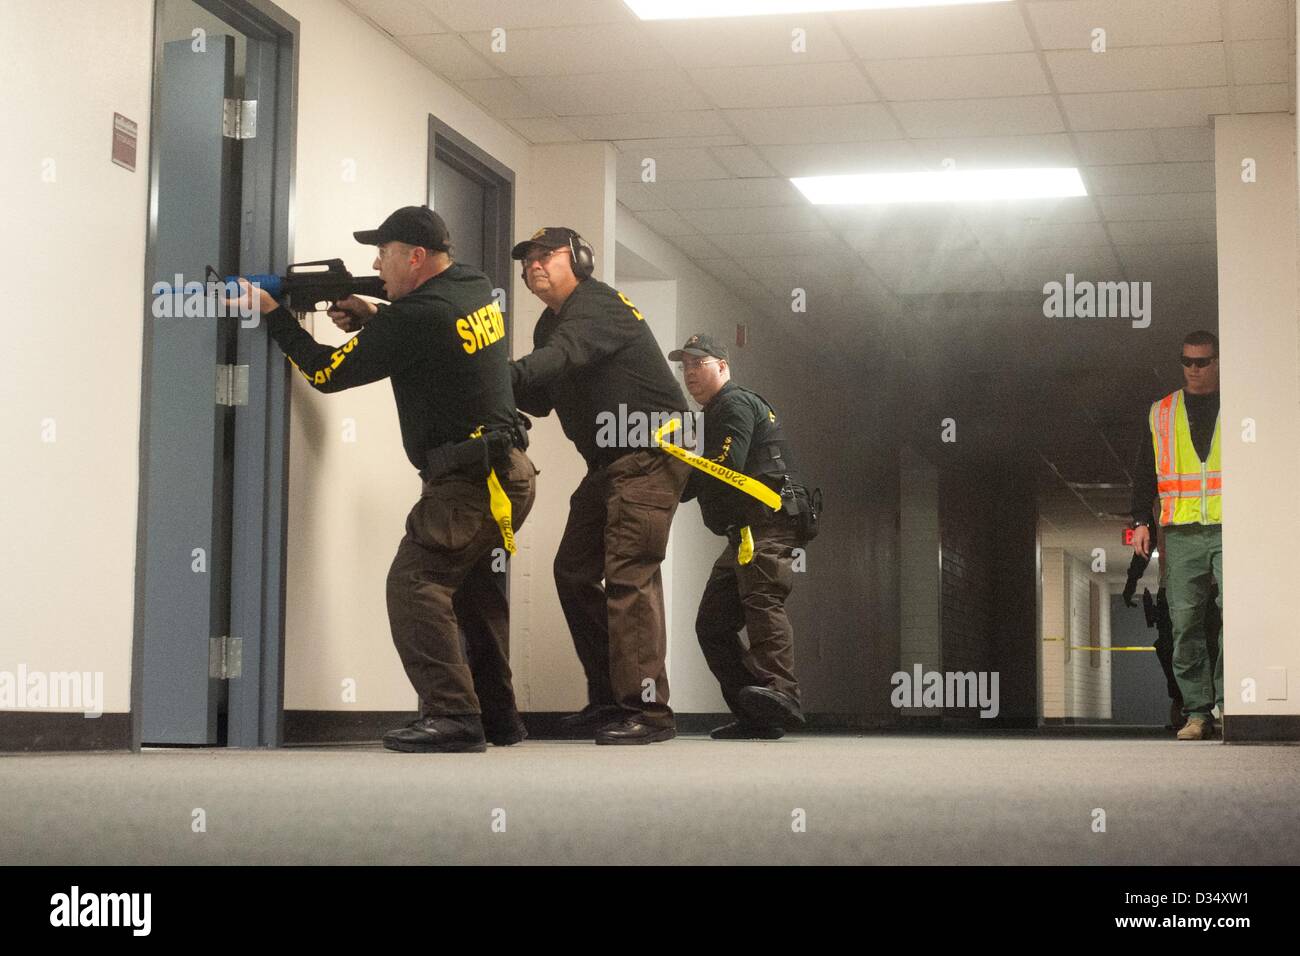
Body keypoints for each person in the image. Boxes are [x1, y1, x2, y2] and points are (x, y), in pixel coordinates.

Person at [234, 205, 536, 753]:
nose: (376, 263)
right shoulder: (474, 284)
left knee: (416, 585)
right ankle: (498, 719)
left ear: (416, 257)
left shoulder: (413, 317)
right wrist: (375, 315)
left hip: (468, 481)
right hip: (509, 472)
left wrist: (276, 315)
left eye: (384, 254)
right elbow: (437, 334)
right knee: (473, 594)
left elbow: (327, 373)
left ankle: (453, 718)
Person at [510, 227, 690, 745]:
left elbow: (558, 358)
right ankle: (611, 699)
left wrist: (498, 376)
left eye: (547, 256)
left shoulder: (598, 304)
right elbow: (540, 393)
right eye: (527, 261)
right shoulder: (553, 322)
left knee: (629, 575)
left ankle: (649, 712)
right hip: (609, 464)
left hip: (653, 453)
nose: (534, 266)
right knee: (573, 572)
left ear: (580, 260)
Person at [672, 334, 815, 739]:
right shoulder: (718, 410)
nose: (690, 373)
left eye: (699, 364)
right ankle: (757, 715)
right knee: (713, 624)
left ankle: (782, 693)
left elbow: (724, 465)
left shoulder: (733, 403)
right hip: (744, 533)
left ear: (723, 366)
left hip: (764, 526)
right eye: (685, 366)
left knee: (762, 599)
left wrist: (675, 475)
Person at [1130, 330, 1223, 741]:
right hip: (1181, 532)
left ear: (1217, 362)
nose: (1193, 370)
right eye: (1187, 362)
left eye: (1202, 362)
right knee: (1185, 624)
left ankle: (1231, 703)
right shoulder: (1162, 412)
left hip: (1232, 528)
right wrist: (1140, 523)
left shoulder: (1241, 405)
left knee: (1236, 616)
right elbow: (1145, 472)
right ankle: (1198, 712)